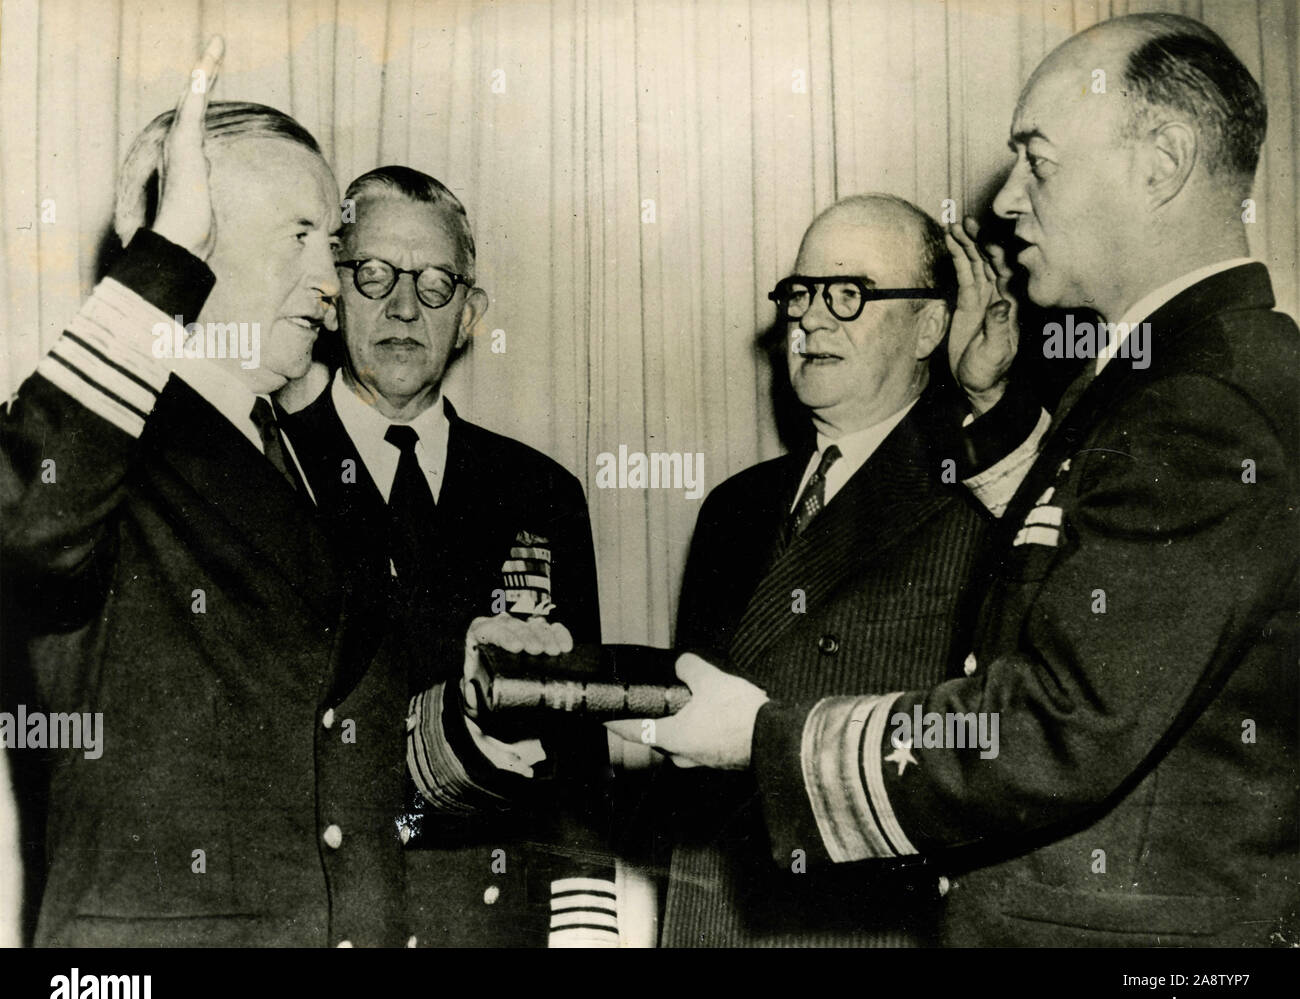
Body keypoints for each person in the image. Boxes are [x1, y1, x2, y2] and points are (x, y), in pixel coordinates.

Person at [617, 12, 1299, 948]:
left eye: (1039, 159)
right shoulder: (1162, 383)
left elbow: (1059, 724)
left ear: (1163, 163)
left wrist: (768, 737)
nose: (1009, 200)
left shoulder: (1199, 402)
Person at [0, 39, 545, 947]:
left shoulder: (299, 455)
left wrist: (465, 717)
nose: (334, 283)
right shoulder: (99, 444)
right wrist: (164, 259)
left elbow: (330, 752)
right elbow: (23, 519)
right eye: (303, 237)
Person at [632, 194, 989, 947]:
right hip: (713, 918)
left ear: (930, 325)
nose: (811, 319)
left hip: (859, 927)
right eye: (800, 293)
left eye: (848, 295)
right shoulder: (735, 506)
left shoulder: (981, 495)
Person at [280, 166, 616, 948]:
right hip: (324, 912)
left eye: (436, 284)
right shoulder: (273, 467)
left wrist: (585, 932)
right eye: (373, 275)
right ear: (331, 292)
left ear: (470, 315)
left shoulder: (540, 491)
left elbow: (577, 740)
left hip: (486, 918)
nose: (403, 307)